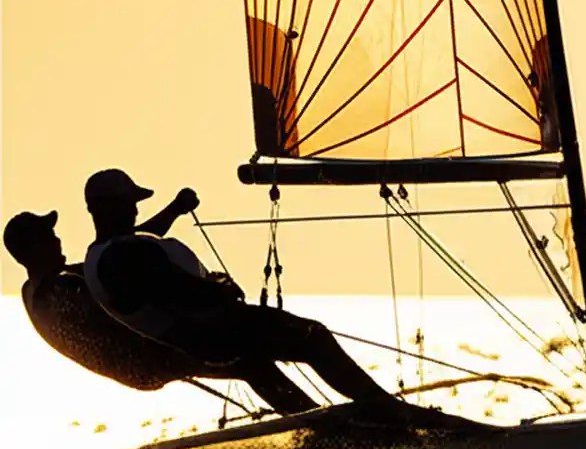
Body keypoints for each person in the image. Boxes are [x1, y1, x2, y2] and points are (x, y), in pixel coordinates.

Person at [79, 168, 395, 406]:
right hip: (217, 332)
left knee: (257, 367)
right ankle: (383, 408)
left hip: (200, 341)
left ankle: (316, 424)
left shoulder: (104, 253)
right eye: (130, 203)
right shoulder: (123, 257)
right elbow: (177, 290)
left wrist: (175, 208)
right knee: (314, 338)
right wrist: (221, 289)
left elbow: (148, 235)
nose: (136, 209)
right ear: (110, 208)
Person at [3, 210, 318, 413]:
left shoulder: (36, 289)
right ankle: (312, 420)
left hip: (137, 364)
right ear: (31, 249)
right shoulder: (60, 290)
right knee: (250, 362)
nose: (57, 239)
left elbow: (126, 248)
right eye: (49, 236)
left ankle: (309, 416)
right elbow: (120, 281)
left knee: (247, 359)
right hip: (146, 359)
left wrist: (173, 211)